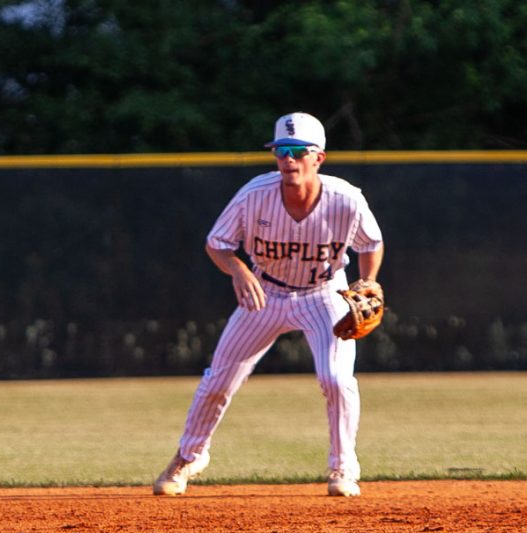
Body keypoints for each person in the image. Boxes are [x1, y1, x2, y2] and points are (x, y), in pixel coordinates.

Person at [153, 112, 384, 497]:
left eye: (297, 151)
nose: (287, 159)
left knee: (337, 380)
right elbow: (217, 243)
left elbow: (371, 244)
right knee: (219, 381)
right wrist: (238, 270)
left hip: (323, 294)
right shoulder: (254, 195)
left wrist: (370, 281)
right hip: (264, 293)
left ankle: (343, 470)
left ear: (318, 158)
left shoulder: (346, 200)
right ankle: (188, 457)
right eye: (280, 152)